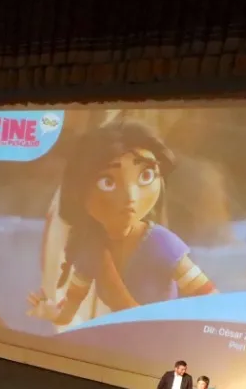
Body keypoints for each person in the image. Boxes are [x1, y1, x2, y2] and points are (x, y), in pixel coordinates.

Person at [28, 120, 216, 327]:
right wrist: (49, 313)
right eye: (108, 182)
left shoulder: (162, 243)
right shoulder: (91, 250)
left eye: (146, 176)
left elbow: (211, 300)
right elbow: (67, 313)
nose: (131, 196)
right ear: (78, 192)